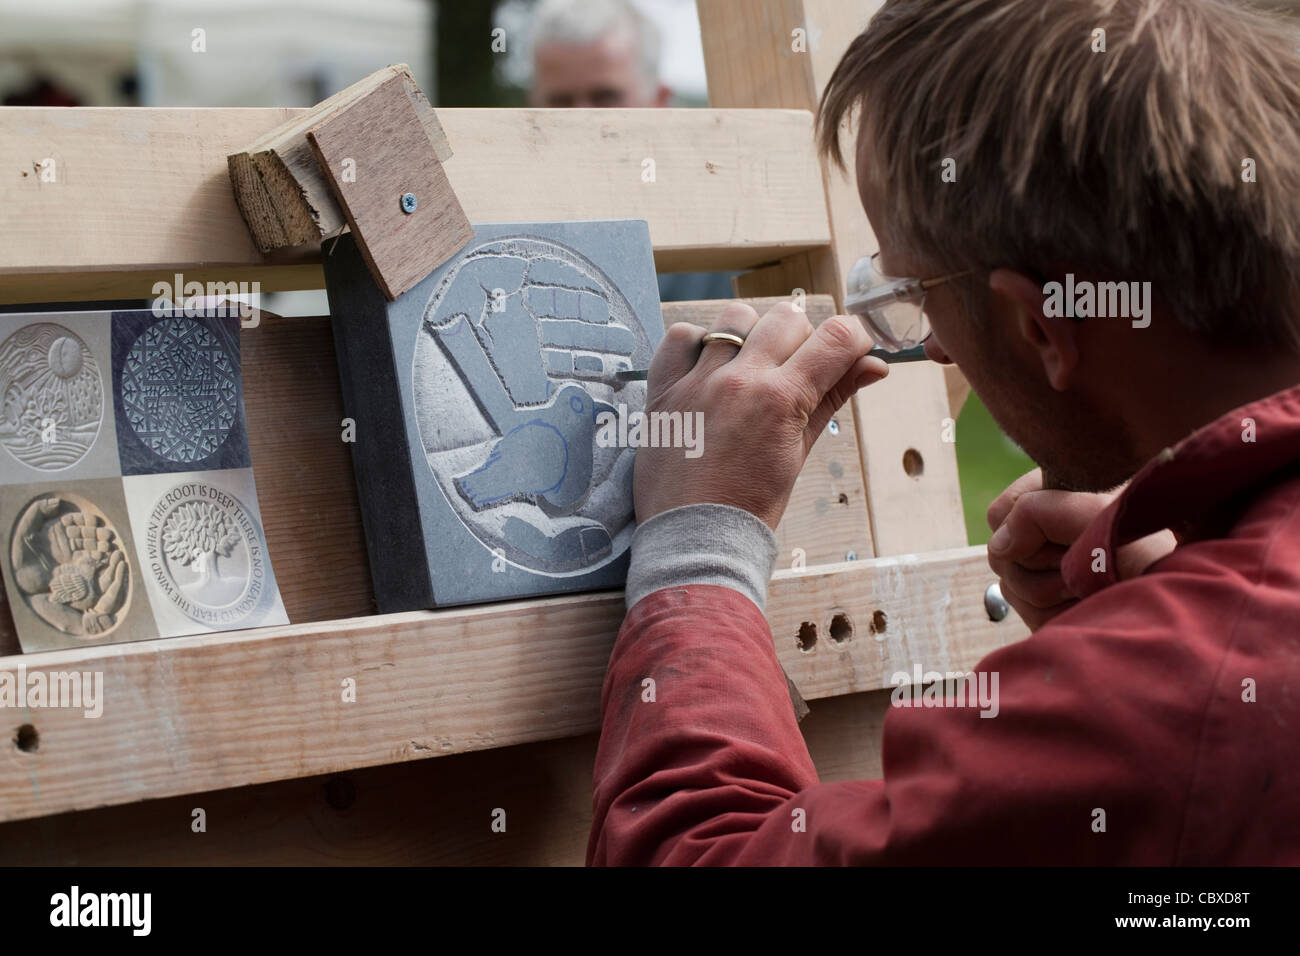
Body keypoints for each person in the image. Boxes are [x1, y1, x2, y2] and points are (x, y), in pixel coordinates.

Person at [588, 0, 1300, 865]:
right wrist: (1171, 603)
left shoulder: (1179, 699)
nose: (928, 343)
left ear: (1042, 327)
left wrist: (695, 553)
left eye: (918, 293)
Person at [529, 0, 737, 301]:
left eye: (604, 97)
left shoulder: (722, 224)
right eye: (559, 101)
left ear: (660, 102)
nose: (579, 120)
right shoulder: (505, 219)